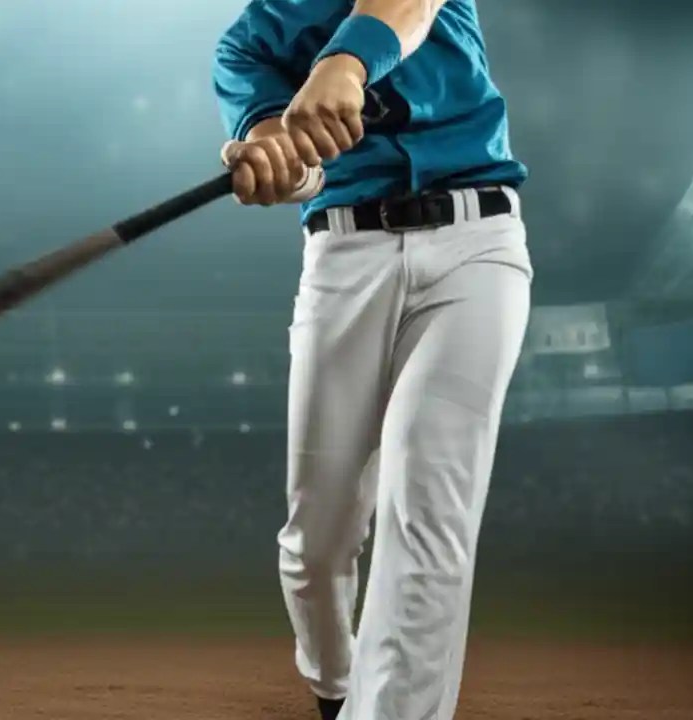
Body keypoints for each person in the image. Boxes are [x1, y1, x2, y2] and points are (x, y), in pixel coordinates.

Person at [211, 2, 533, 719]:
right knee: (317, 543)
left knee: (427, 507)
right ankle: (334, 689)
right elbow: (297, 175)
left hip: (475, 243)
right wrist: (275, 161)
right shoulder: (244, 48)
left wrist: (343, 62)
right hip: (342, 257)